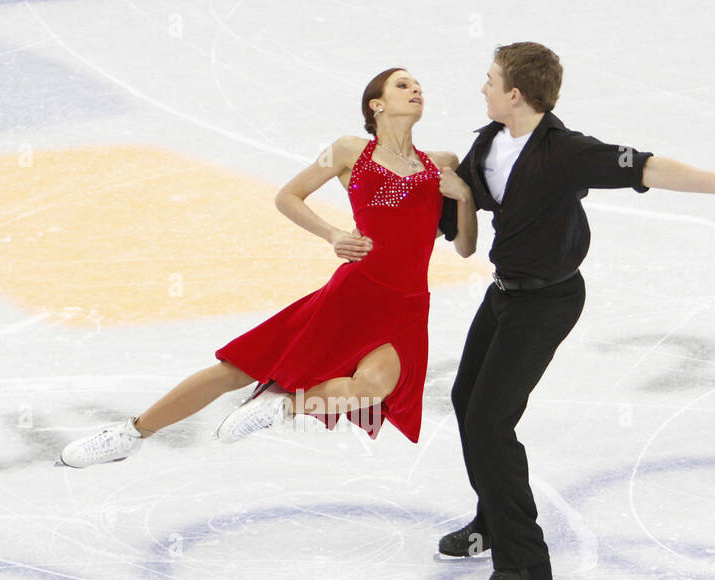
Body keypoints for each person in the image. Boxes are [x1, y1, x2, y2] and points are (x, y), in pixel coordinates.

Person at [435, 42, 715, 580]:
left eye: (491, 80)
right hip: (504, 294)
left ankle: (525, 568)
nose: (483, 88)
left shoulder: (565, 151)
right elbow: (457, 193)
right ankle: (493, 519)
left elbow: (647, 166)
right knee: (466, 398)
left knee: (490, 420)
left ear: (517, 94)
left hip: (547, 302)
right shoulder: (489, 142)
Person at [57, 68, 477, 468]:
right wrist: (333, 235)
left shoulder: (441, 161)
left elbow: (464, 247)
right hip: (356, 292)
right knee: (237, 370)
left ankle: (282, 404)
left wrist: (464, 197)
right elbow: (288, 196)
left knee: (374, 387)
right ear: (376, 105)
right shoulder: (350, 149)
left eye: (418, 85)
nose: (415, 90)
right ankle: (129, 434)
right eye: (402, 85)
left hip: (407, 304)